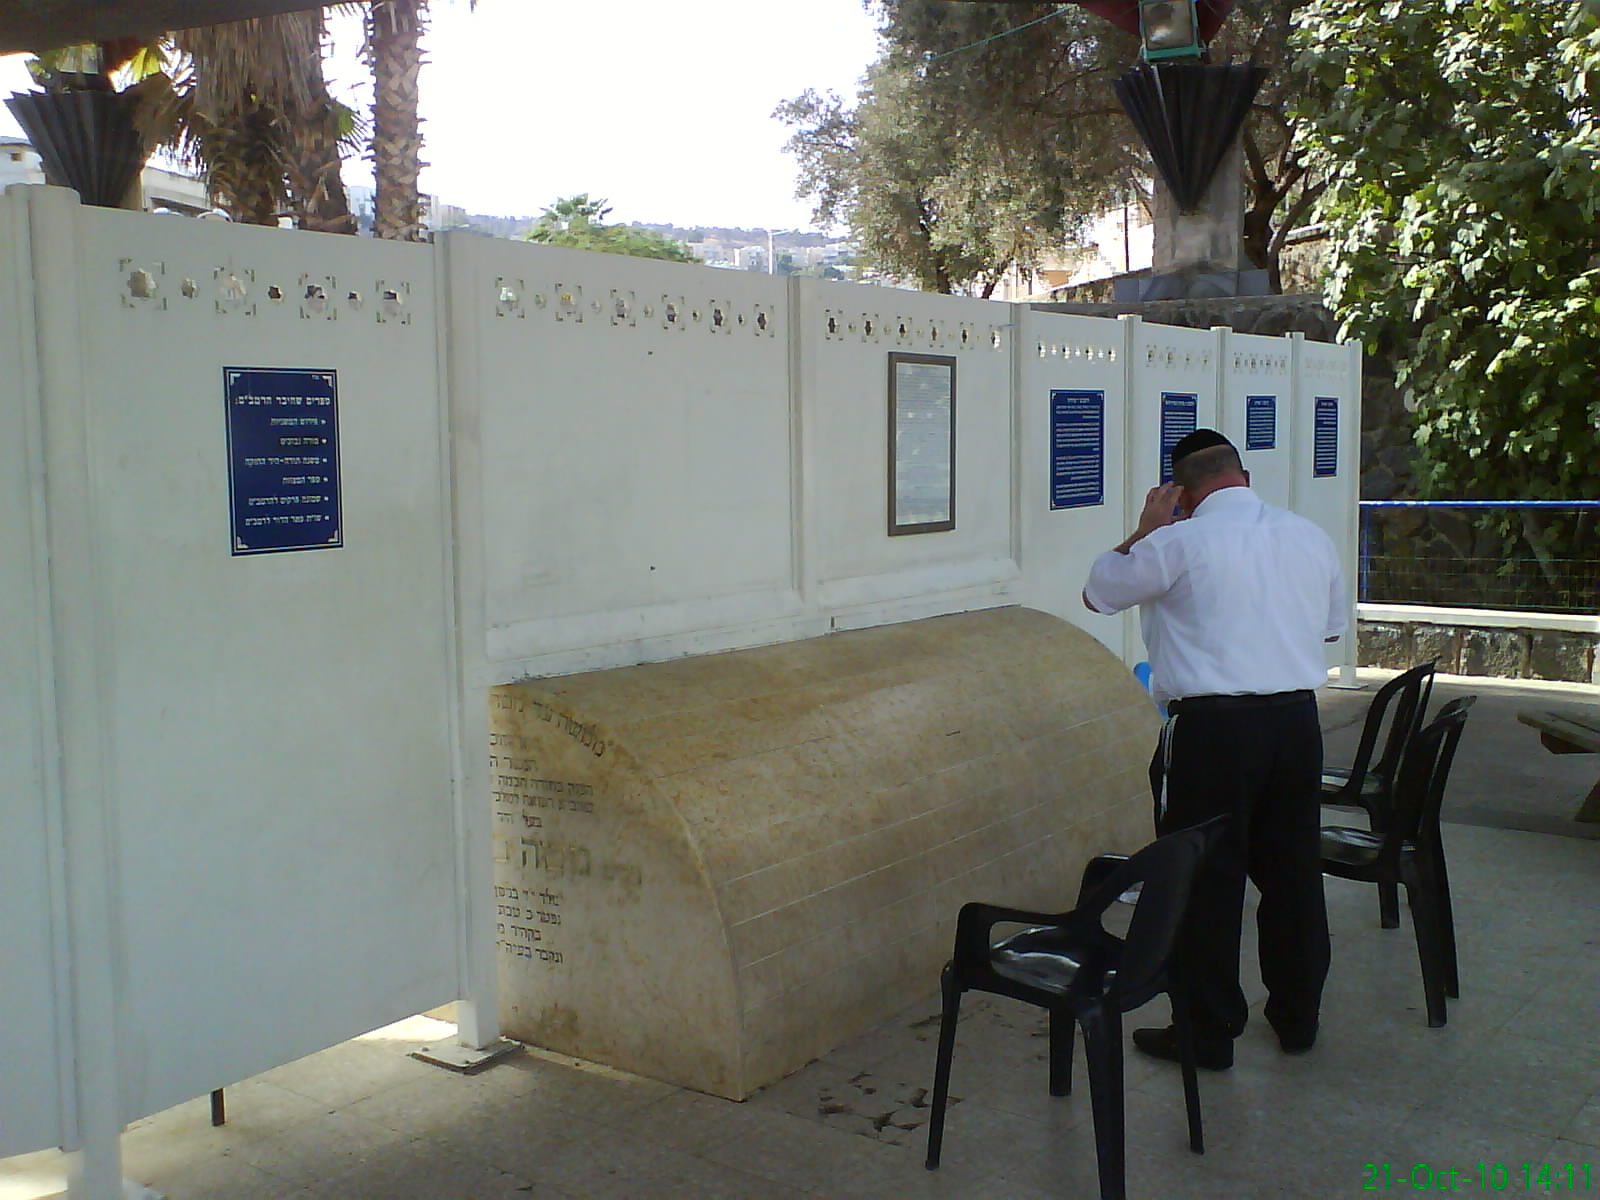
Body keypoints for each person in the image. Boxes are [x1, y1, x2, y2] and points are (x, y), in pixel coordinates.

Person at [1081, 428, 1346, 1070]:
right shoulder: (1309, 537)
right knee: (1291, 873)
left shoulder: (1175, 541)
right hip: (1295, 724)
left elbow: (1100, 591)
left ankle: (1208, 1030)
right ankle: (1297, 1017)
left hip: (1213, 731)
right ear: (1243, 478)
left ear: (1180, 493)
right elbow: (1331, 628)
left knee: (1205, 881)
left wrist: (1145, 529)